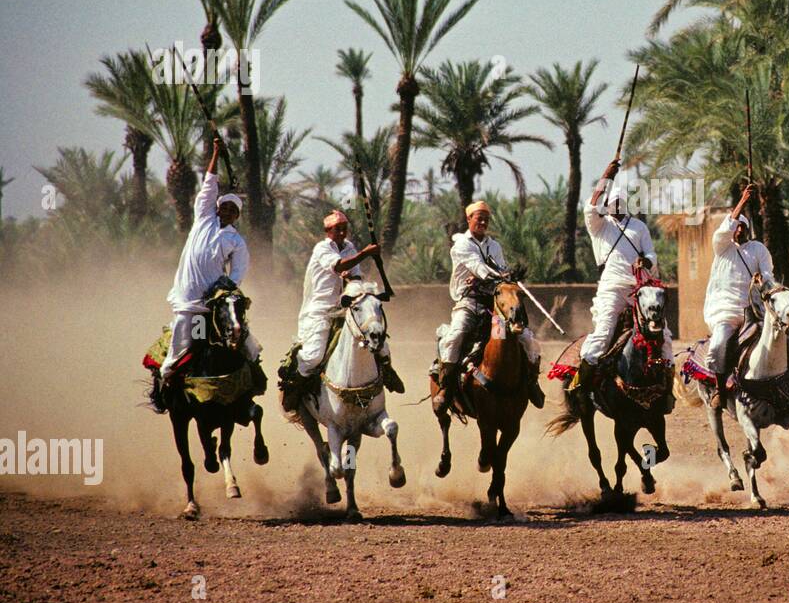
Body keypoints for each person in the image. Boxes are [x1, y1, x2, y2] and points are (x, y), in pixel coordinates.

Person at [155, 137, 264, 408]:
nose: (226, 210)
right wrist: (216, 152)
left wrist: (224, 290)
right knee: (180, 347)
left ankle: (254, 379)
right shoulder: (203, 218)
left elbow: (238, 272)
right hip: (188, 300)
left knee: (245, 340)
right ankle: (164, 386)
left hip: (213, 304)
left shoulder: (236, 241)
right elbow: (209, 184)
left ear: (237, 215)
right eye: (223, 206)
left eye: (232, 209)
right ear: (216, 207)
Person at [279, 209, 402, 415]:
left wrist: (353, 278)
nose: (342, 232)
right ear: (328, 231)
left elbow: (355, 277)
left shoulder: (349, 247)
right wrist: (365, 254)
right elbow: (338, 266)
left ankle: (387, 373)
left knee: (378, 339)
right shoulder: (322, 248)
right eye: (337, 229)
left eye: (345, 228)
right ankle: (295, 390)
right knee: (313, 357)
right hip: (320, 311)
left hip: (345, 307)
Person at [569, 159, 673, 398]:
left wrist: (645, 262)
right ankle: (582, 388)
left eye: (620, 201)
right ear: (606, 204)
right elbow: (590, 206)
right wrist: (607, 174)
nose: (616, 204)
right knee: (603, 334)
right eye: (612, 201)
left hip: (639, 291)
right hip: (611, 290)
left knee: (663, 335)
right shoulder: (599, 226)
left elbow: (650, 253)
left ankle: (667, 388)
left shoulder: (639, 227)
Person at [431, 201, 546, 412]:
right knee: (456, 335)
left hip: (494, 306)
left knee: (525, 338)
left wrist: (506, 276)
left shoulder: (495, 246)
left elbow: (500, 271)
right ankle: (446, 387)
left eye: (486, 219)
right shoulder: (461, 245)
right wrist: (497, 275)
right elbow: (478, 267)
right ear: (469, 219)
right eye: (478, 218)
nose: (483, 222)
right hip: (468, 303)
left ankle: (531, 383)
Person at [702, 183, 789, 406]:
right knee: (719, 344)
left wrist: (762, 281)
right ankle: (719, 389)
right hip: (725, 310)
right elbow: (725, 229)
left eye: (743, 226)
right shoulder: (722, 246)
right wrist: (744, 200)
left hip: (754, 309)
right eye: (736, 226)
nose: (740, 230)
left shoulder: (758, 249)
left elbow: (767, 274)